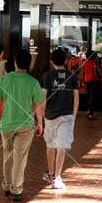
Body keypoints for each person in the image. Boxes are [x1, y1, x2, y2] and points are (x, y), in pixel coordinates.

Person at [0, 46, 45, 201]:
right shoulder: (33, 82)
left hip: (7, 124)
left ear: (15, 62)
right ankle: (16, 189)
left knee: (7, 155)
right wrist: (40, 124)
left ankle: (7, 186)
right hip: (26, 126)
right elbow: (38, 106)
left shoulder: (4, 80)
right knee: (20, 157)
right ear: (29, 64)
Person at [42, 45, 79, 191]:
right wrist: (74, 116)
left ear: (52, 61)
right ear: (66, 60)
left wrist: (41, 117)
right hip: (66, 116)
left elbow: (43, 98)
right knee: (61, 146)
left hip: (50, 116)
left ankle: (52, 174)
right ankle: (57, 177)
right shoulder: (72, 76)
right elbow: (76, 98)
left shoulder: (47, 76)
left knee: (50, 145)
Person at [80, 47, 100, 117]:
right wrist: (98, 76)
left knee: (88, 96)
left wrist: (83, 81)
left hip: (86, 80)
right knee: (92, 96)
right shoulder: (93, 63)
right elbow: (95, 72)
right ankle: (90, 112)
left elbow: (82, 72)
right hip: (93, 80)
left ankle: (88, 110)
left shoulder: (84, 62)